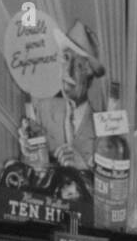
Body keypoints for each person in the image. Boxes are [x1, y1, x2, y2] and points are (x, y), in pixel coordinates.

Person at [25, 20, 105, 172]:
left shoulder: (102, 129)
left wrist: (83, 167)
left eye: (77, 64)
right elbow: (30, 170)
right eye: (66, 58)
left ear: (89, 71)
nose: (67, 71)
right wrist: (27, 153)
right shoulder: (42, 110)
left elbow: (108, 182)